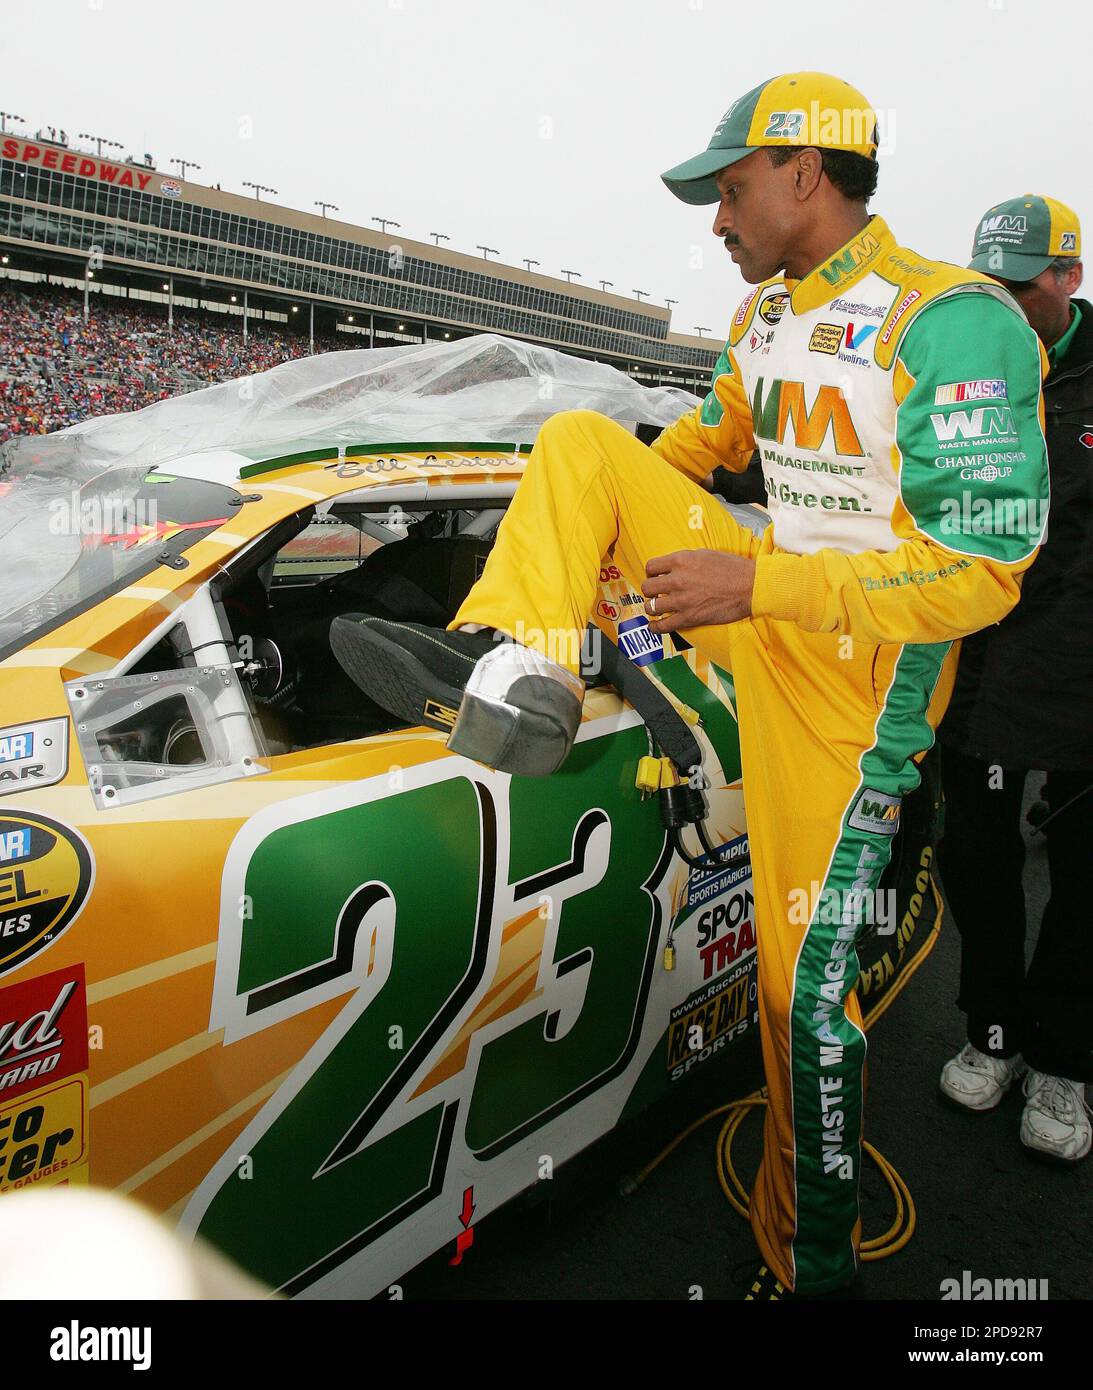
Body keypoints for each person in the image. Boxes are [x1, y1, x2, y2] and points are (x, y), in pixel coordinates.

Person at [329, 73, 1050, 1296]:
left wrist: (756, 588)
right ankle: (517, 663)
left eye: (728, 190)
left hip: (859, 690)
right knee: (576, 444)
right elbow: (681, 455)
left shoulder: (953, 318)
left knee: (801, 1004)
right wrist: (609, 542)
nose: (716, 219)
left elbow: (983, 571)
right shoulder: (764, 321)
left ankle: (809, 1265)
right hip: (757, 616)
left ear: (802, 174)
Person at [937, 196, 1092, 1161]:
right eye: (985, 280)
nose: (998, 300)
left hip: (1082, 668)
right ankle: (991, 1032)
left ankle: (1066, 1058)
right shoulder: (969, 362)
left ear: (1066, 279)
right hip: (978, 664)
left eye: (1016, 284)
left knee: (1084, 878)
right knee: (979, 865)